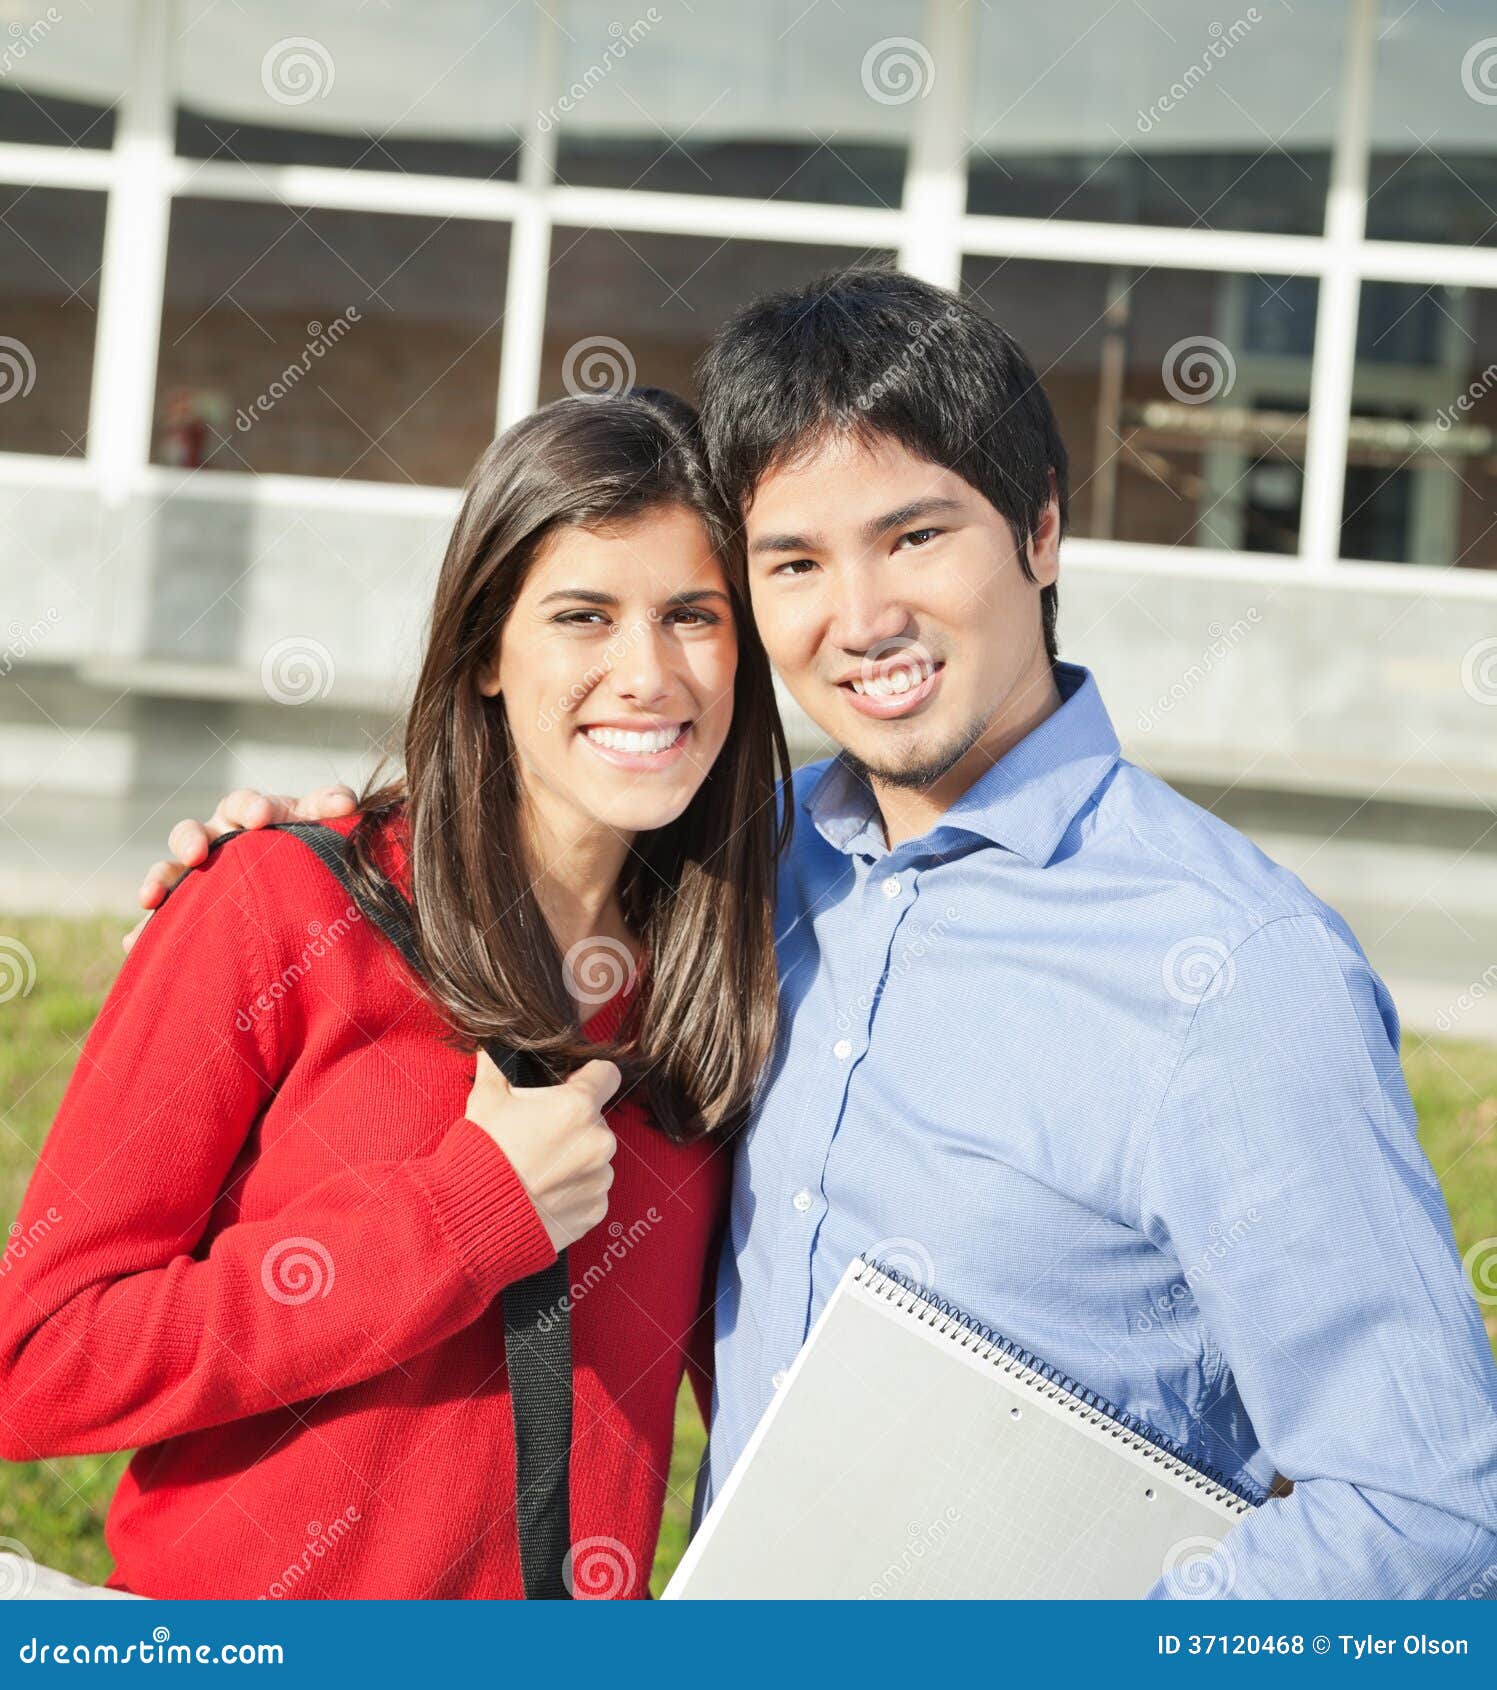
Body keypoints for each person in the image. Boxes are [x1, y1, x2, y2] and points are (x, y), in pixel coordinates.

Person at [124, 269, 1497, 1599]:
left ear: (1040, 532)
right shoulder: (737, 880)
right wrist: (300, 855)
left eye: (914, 536)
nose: (862, 618)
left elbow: (1429, 1516)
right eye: (792, 561)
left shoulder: (1236, 973)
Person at [0, 388, 790, 1599]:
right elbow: (36, 1360)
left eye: (695, 615)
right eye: (583, 615)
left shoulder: (736, 979)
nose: (648, 672)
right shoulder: (281, 902)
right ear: (482, 652)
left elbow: (773, 1406)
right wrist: (461, 1216)